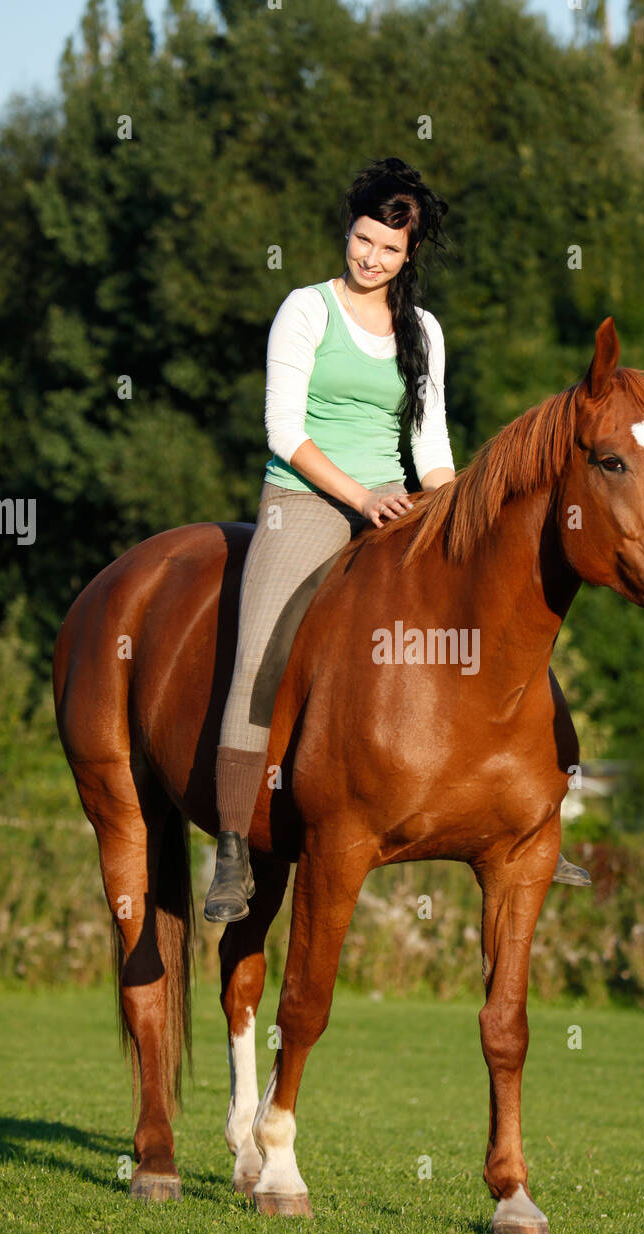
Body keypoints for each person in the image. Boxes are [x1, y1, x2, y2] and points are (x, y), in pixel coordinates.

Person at [204, 156, 455, 922]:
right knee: (260, 652)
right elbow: (285, 429)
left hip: (396, 501)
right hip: (307, 498)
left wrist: (456, 511)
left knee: (490, 606)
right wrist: (360, 497)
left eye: (387, 248)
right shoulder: (306, 309)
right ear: (348, 229)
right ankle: (230, 850)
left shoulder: (423, 330)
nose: (369, 256)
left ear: (409, 257)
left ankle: (531, 807)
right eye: (363, 238)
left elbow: (432, 443)